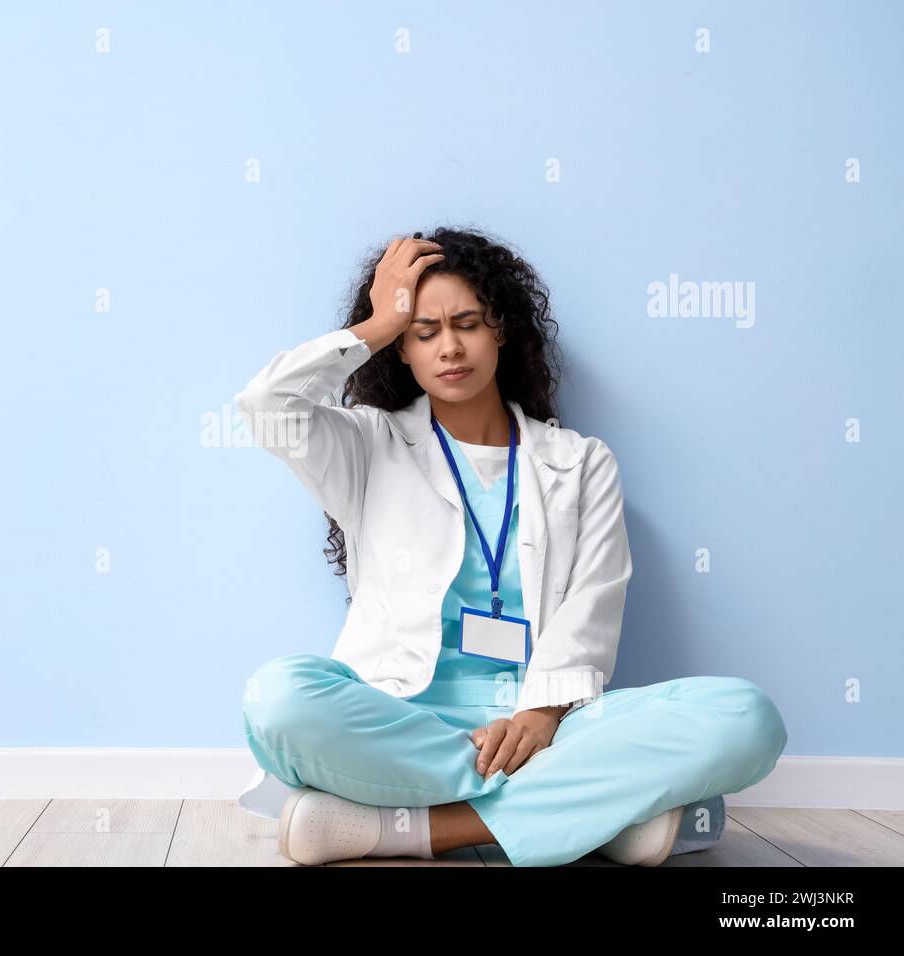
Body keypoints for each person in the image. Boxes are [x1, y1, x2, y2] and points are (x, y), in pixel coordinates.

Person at [234, 228, 787, 867]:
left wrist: (544, 714)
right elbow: (266, 405)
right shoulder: (368, 446)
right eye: (423, 332)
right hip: (400, 724)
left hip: (548, 732)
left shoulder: (580, 463)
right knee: (277, 698)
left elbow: (593, 606)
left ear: (501, 330)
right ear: (402, 353)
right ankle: (600, 814)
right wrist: (379, 322)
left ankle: (410, 830)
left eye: (467, 323)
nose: (449, 347)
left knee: (746, 717)